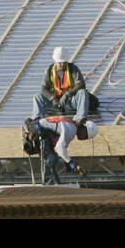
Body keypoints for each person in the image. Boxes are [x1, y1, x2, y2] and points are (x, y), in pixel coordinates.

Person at [29, 47, 96, 176]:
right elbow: (43, 88)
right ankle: (36, 121)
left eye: (63, 62)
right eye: (59, 62)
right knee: (37, 98)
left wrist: (68, 94)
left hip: (70, 102)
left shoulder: (73, 69)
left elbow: (81, 84)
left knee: (83, 93)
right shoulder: (49, 71)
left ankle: (80, 118)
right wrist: (52, 98)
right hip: (55, 104)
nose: (61, 65)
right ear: (55, 61)